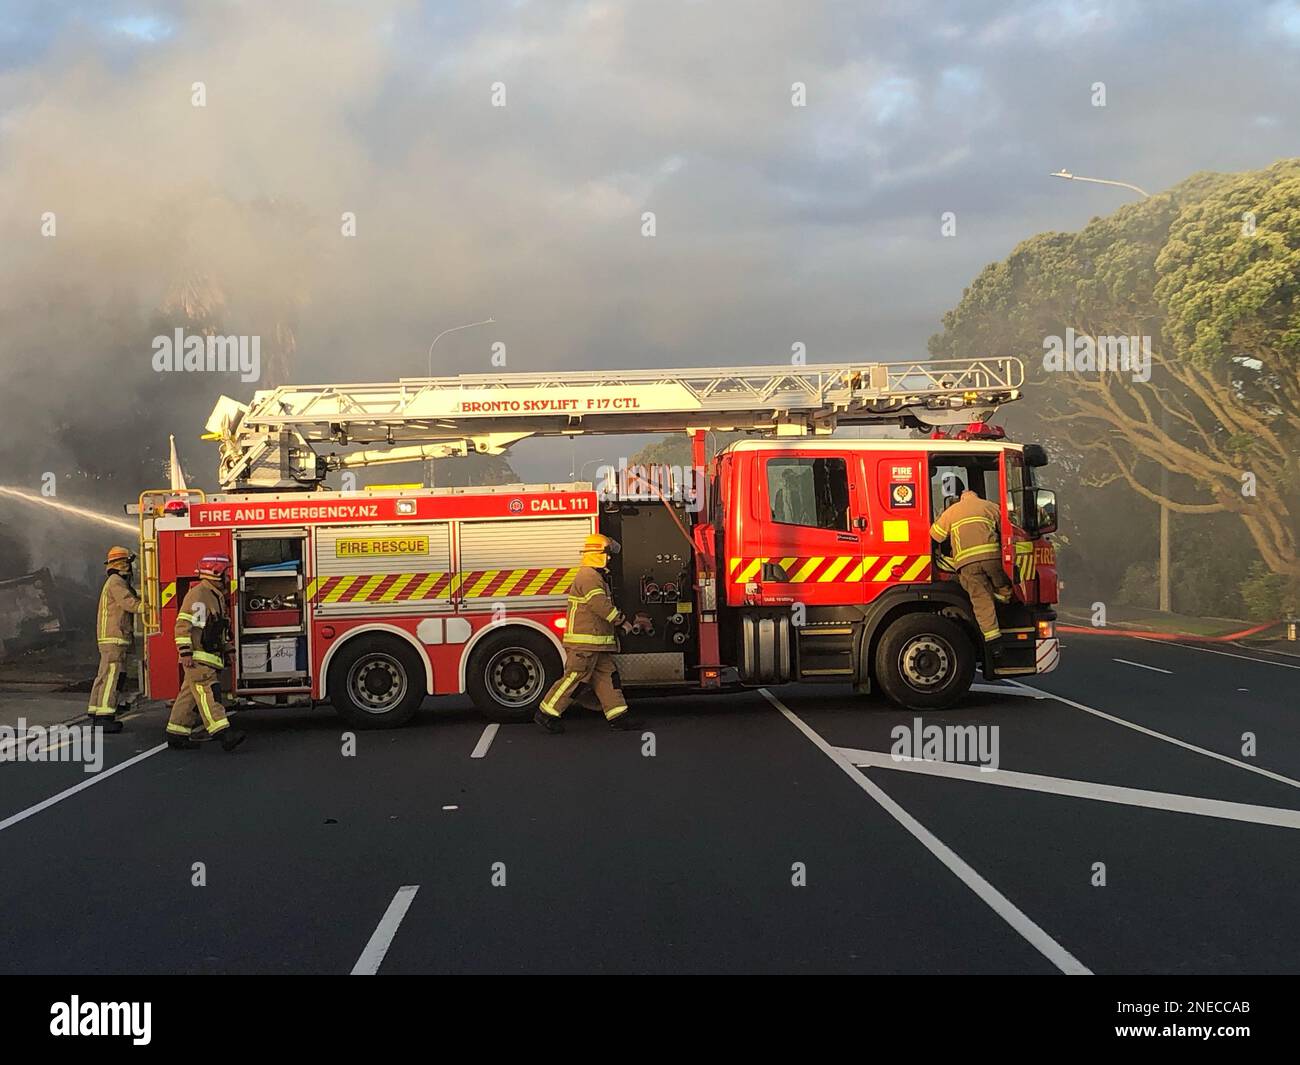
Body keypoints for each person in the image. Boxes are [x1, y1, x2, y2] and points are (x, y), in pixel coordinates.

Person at [535, 533, 638, 733]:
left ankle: (618, 717)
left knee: (607, 678)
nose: (609, 558)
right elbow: (599, 605)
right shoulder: (589, 577)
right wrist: (622, 621)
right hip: (585, 644)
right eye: (606, 554)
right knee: (574, 677)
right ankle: (546, 713)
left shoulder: (593, 576)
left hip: (595, 644)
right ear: (597, 555)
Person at [166, 554, 246, 752]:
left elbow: (218, 628)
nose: (229, 576)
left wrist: (229, 649)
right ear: (216, 573)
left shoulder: (214, 595)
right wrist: (186, 653)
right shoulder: (199, 594)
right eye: (226, 572)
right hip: (199, 657)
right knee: (209, 693)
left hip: (206, 656)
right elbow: (183, 625)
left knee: (188, 696)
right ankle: (223, 733)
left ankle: (176, 734)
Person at [930, 478, 1013, 644]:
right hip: (992, 560)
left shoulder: (952, 512)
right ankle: (1004, 603)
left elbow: (935, 535)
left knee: (980, 599)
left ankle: (993, 641)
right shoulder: (990, 507)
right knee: (1003, 585)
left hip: (967, 564)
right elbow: (1008, 529)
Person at [87, 546, 141, 733]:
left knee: (104, 675)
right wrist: (148, 607)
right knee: (112, 676)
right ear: (122, 563)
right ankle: (105, 717)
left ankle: (96, 711)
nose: (129, 567)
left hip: (110, 637)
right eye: (127, 562)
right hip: (115, 637)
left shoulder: (112, 581)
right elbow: (128, 602)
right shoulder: (116, 582)